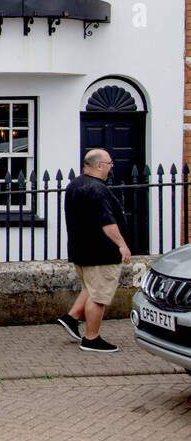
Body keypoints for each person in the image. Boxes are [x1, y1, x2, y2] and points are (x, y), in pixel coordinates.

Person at [60, 149, 132, 353]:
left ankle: (71, 318)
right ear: (99, 166)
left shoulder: (75, 184)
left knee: (90, 289)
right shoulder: (96, 189)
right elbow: (107, 222)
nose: (112, 167)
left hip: (80, 249)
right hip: (100, 252)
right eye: (110, 163)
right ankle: (92, 338)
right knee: (98, 297)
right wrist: (122, 244)